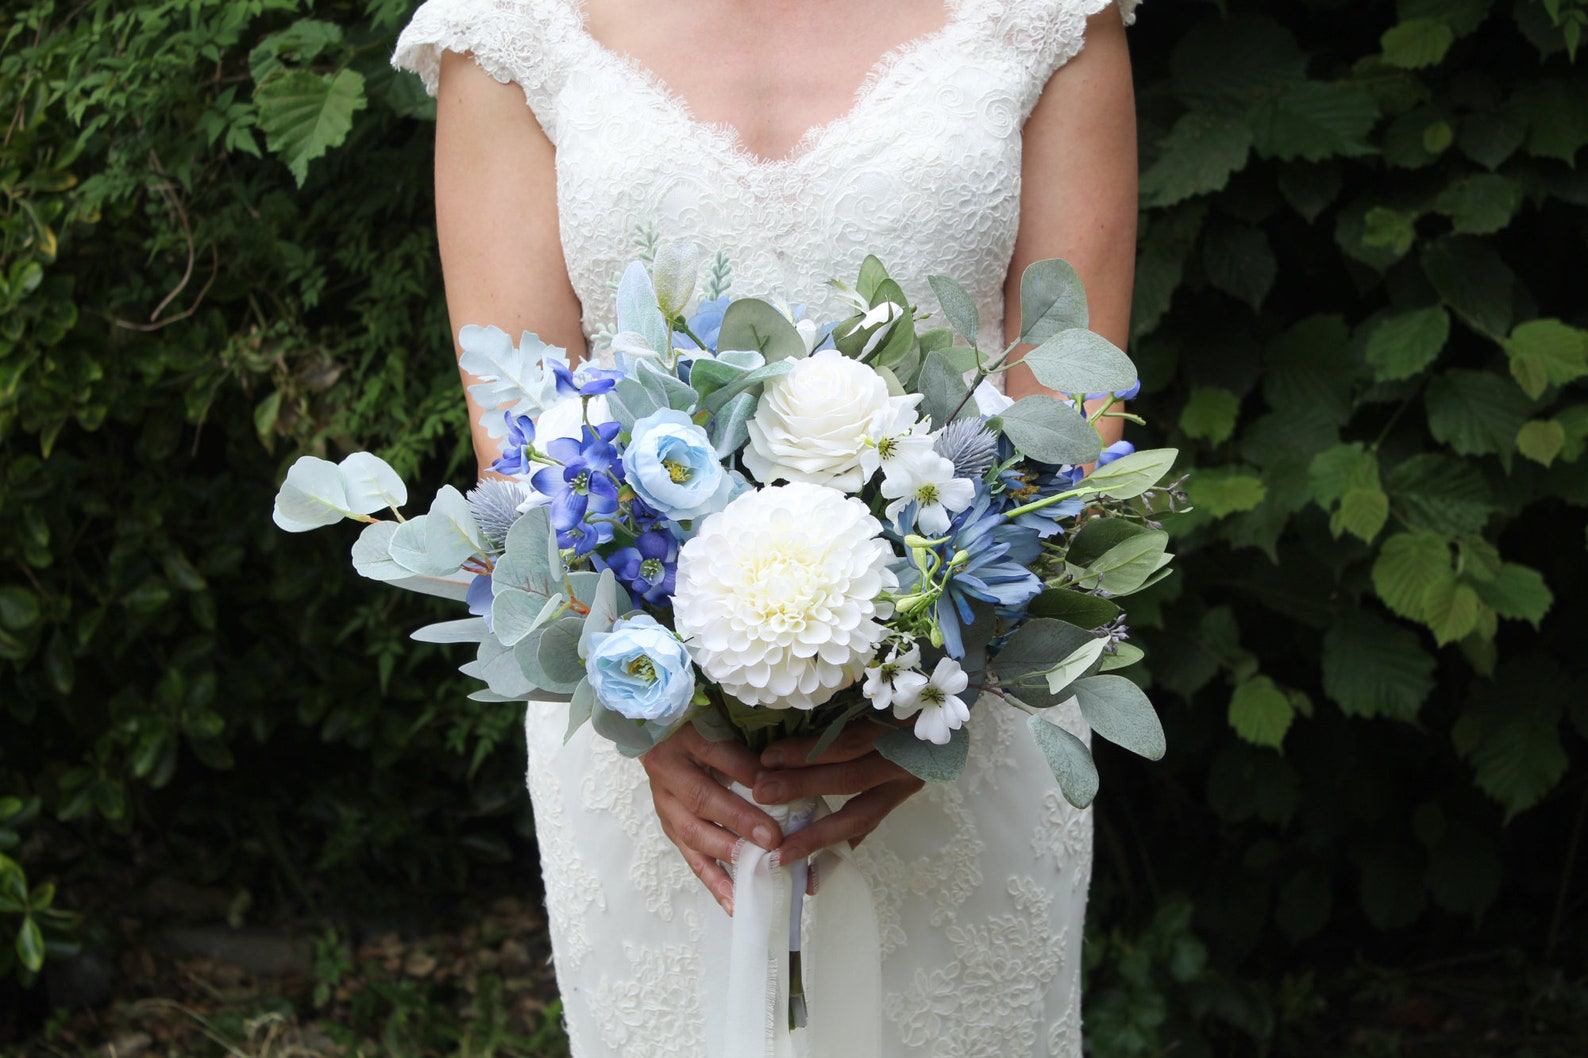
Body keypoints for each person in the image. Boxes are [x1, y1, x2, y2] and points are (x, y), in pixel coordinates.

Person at [394, 0, 1139, 1053]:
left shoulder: (1047, 16)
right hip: (655, 735)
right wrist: (644, 713)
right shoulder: (513, 24)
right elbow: (519, 444)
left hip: (964, 696)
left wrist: (945, 694)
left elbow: (1073, 426)